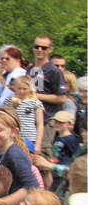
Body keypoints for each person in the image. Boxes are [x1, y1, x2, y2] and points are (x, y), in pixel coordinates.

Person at [29, 35, 67, 164]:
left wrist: (35, 96)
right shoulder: (31, 69)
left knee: (42, 157)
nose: (39, 50)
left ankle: (47, 184)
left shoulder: (54, 71)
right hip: (29, 120)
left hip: (47, 119)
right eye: (37, 46)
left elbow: (62, 97)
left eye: (43, 47)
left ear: (50, 50)